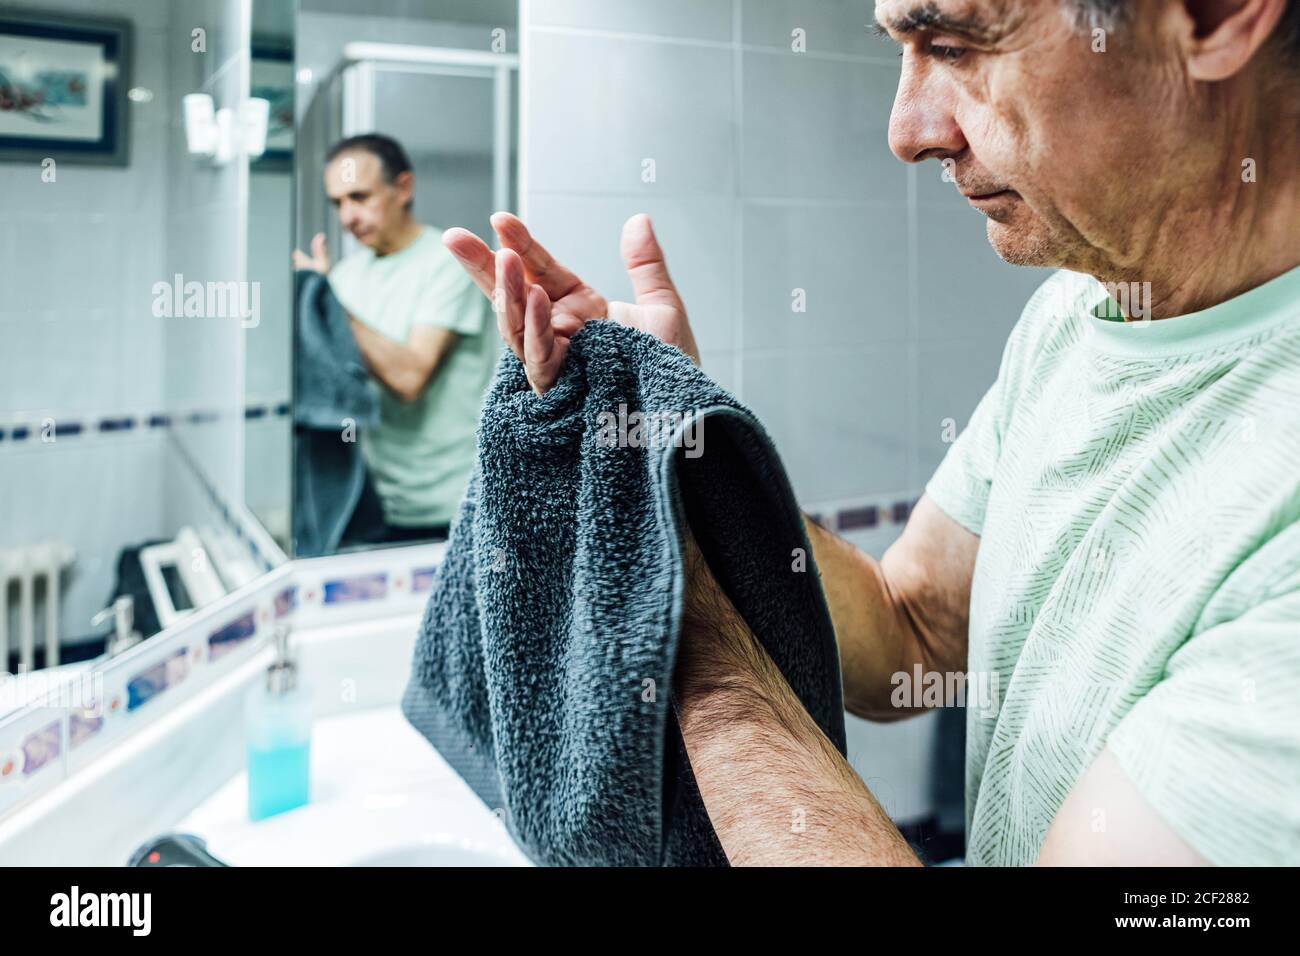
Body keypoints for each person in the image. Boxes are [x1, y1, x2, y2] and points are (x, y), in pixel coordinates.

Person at [444, 0, 1300, 865]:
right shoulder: (1078, 314)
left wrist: (665, 585)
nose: (908, 132)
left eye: (954, 44)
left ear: (1218, 16)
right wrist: (683, 459)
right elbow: (911, 633)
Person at [293, 133, 500, 543]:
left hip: (450, 501)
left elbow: (409, 379)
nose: (348, 216)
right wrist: (317, 299)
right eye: (338, 203)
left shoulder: (448, 266)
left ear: (403, 187)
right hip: (373, 498)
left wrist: (327, 301)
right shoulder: (347, 276)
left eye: (360, 197)